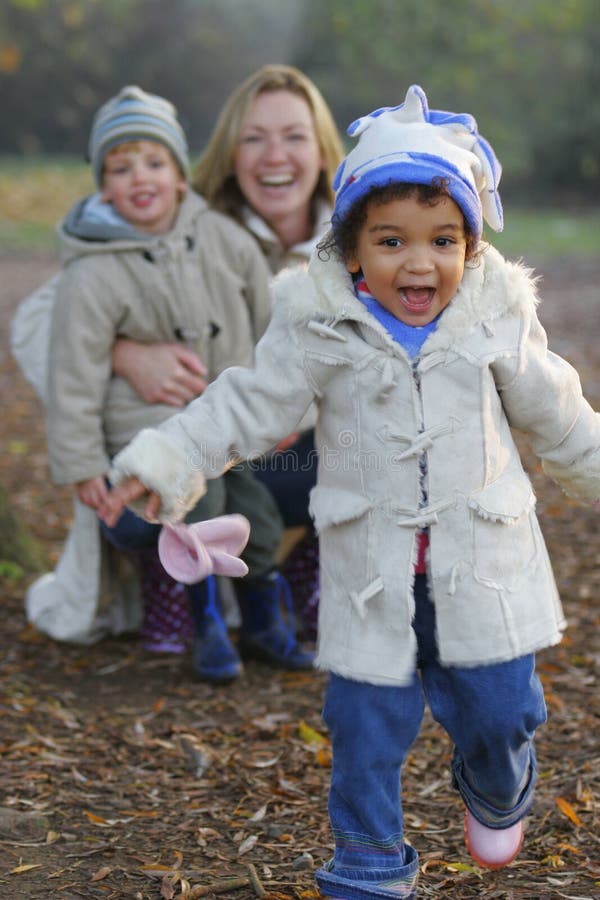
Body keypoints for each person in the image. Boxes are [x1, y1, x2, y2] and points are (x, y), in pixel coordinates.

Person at [98, 84, 600, 898]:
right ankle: (368, 864)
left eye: (442, 240)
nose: (418, 262)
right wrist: (165, 458)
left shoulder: (493, 321)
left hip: (483, 564)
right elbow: (244, 402)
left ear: (470, 248)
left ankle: (497, 782)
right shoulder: (321, 329)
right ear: (352, 250)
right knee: (363, 726)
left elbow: (560, 412)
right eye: (392, 240)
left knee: (502, 712)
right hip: (374, 570)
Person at [11, 65, 343, 646]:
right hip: (194, 433)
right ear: (228, 152)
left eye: (293, 136)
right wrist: (122, 352)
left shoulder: (356, 239)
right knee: (170, 486)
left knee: (392, 455)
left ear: (320, 150)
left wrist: (293, 413)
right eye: (254, 137)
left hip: (294, 447)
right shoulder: (176, 220)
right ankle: (184, 585)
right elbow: (41, 317)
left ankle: (306, 575)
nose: (274, 156)